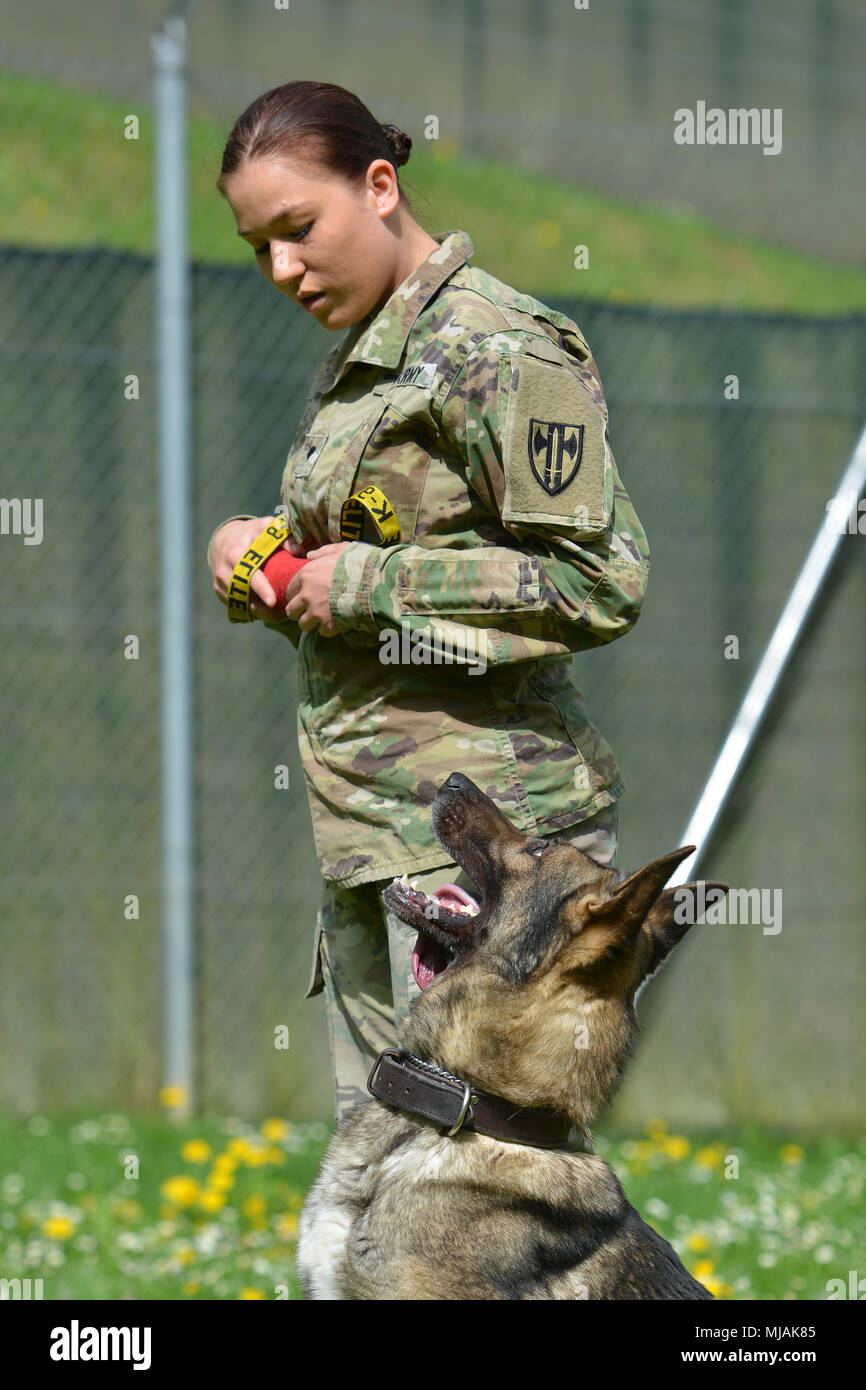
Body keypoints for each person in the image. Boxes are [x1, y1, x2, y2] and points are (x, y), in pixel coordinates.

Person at [207, 80, 650, 1128]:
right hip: (370, 831)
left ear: (378, 184)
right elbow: (383, 551)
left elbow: (599, 579)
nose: (280, 268)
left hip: (492, 852)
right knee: (379, 1186)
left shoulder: (498, 349)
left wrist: (355, 582)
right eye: (255, 245)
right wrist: (267, 557)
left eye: (298, 229)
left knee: (477, 1194)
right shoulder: (366, 362)